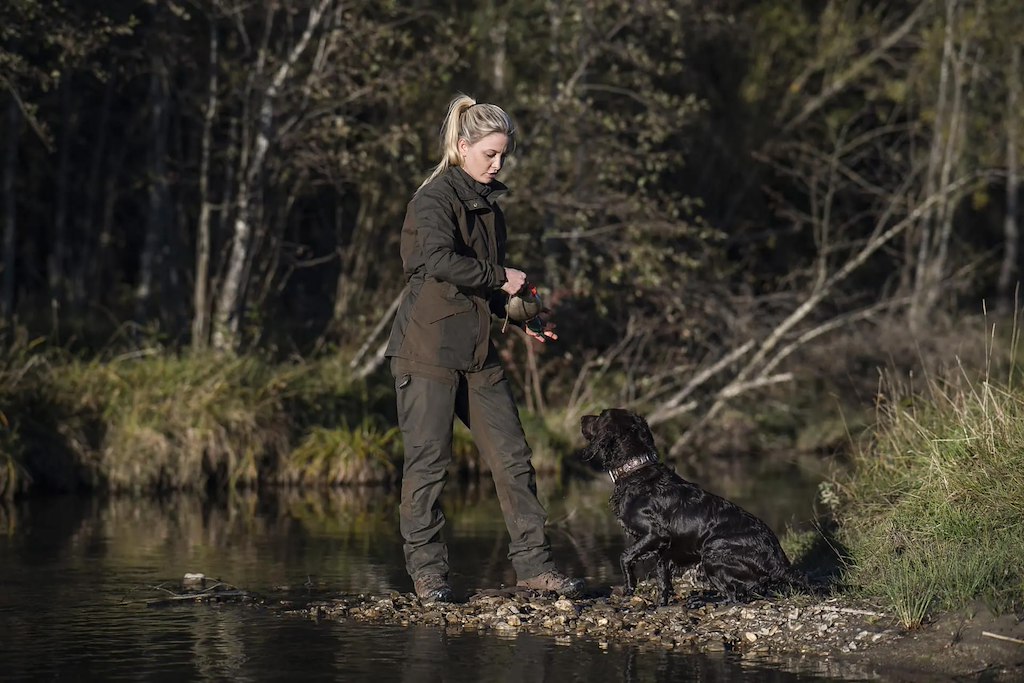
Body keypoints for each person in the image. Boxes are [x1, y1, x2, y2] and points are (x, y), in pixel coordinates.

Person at [384, 94, 584, 604]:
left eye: (503, 156)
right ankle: (429, 579)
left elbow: (482, 289)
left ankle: (535, 568)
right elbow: (434, 262)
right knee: (428, 466)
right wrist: (502, 276)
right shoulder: (431, 200)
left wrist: (520, 316)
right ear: (462, 145)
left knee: (514, 457)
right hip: (425, 353)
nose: (497, 165)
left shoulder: (490, 207)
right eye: (490, 154)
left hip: (477, 354)